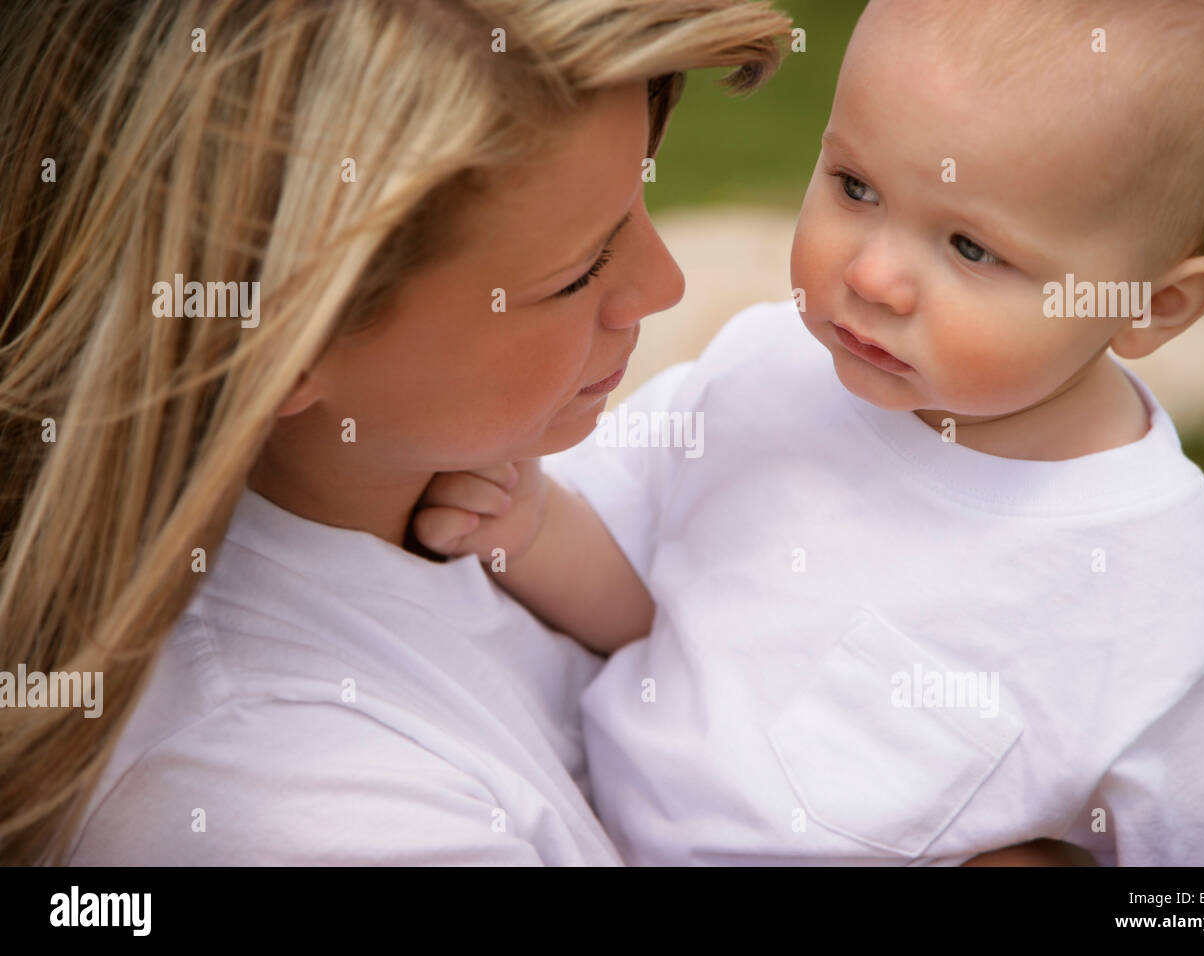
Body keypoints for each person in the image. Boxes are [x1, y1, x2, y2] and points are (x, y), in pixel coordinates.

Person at [417, 0, 1204, 865]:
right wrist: (530, 529)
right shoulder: (767, 369)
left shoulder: (1177, 621)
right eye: (856, 186)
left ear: (1150, 305)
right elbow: (656, 607)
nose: (873, 275)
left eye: (971, 249)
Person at [0, 0, 792, 865]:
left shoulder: (467, 487)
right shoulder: (289, 804)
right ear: (278, 343)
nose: (665, 283)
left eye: (643, 195)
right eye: (582, 272)